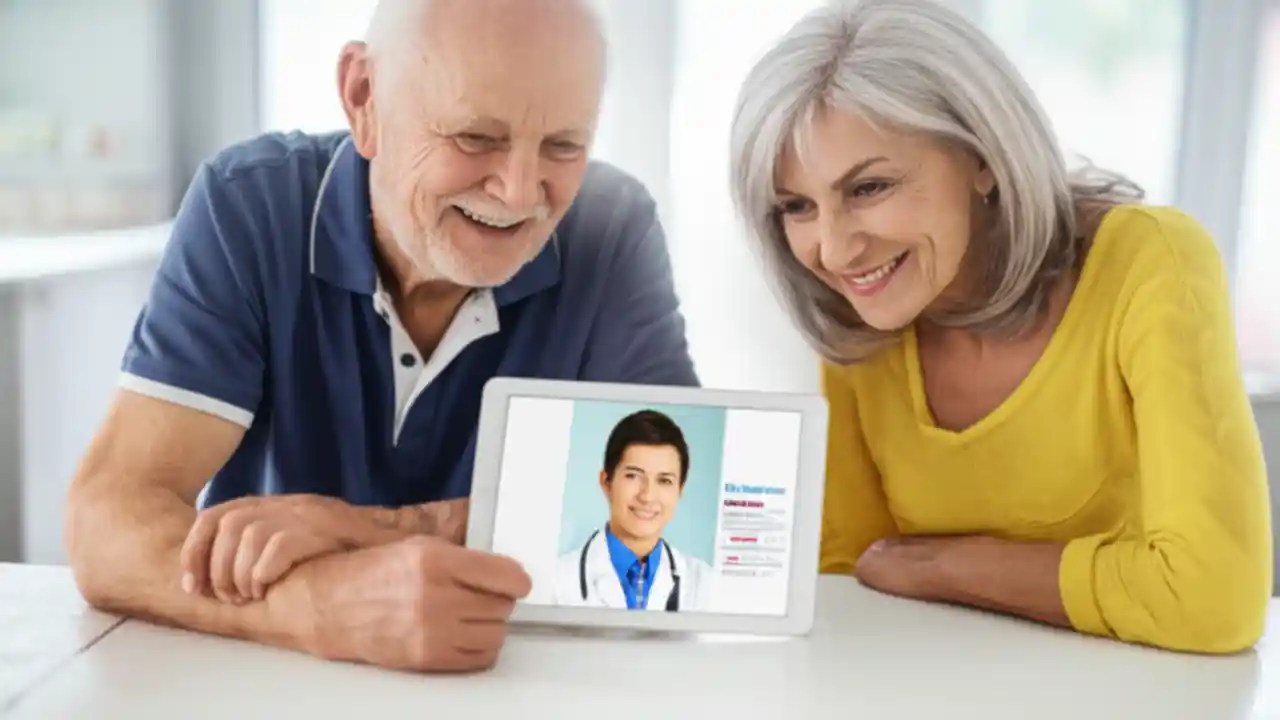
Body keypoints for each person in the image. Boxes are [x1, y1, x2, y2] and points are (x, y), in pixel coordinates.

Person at [64, 0, 697, 673]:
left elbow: (683, 509)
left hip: (522, 680)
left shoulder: (611, 227)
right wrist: (318, 607)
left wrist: (372, 528)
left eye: (564, 145)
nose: (517, 194)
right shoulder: (250, 206)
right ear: (364, 97)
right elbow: (110, 522)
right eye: (475, 138)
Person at [728, 0, 1271, 653]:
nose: (836, 251)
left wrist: (946, 566)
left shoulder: (1152, 262)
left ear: (981, 154)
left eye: (869, 188)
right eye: (797, 207)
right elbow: (856, 578)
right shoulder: (860, 312)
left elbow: (1213, 600)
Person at [556, 410, 712, 611]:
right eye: (633, 476)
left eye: (664, 481)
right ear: (606, 482)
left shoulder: (705, 583)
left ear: (679, 491)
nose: (647, 496)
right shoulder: (558, 580)